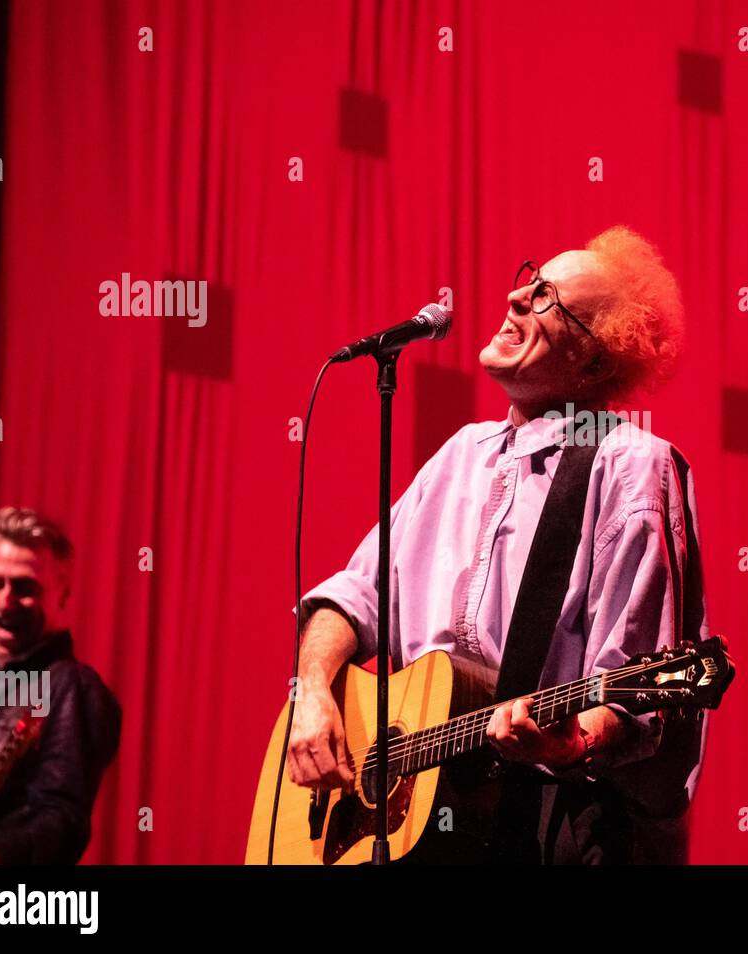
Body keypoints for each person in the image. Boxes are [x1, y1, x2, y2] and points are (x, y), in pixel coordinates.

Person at [290, 225, 711, 863]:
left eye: (546, 298)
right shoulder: (460, 454)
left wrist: (571, 742)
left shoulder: (630, 468)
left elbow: (637, 687)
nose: (516, 298)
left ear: (595, 359)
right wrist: (315, 690)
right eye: (529, 279)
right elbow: (354, 597)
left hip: (546, 829)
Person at [0, 507, 120, 864]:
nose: (5, 602)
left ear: (63, 595)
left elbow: (62, 819)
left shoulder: (72, 687)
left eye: (24, 588)